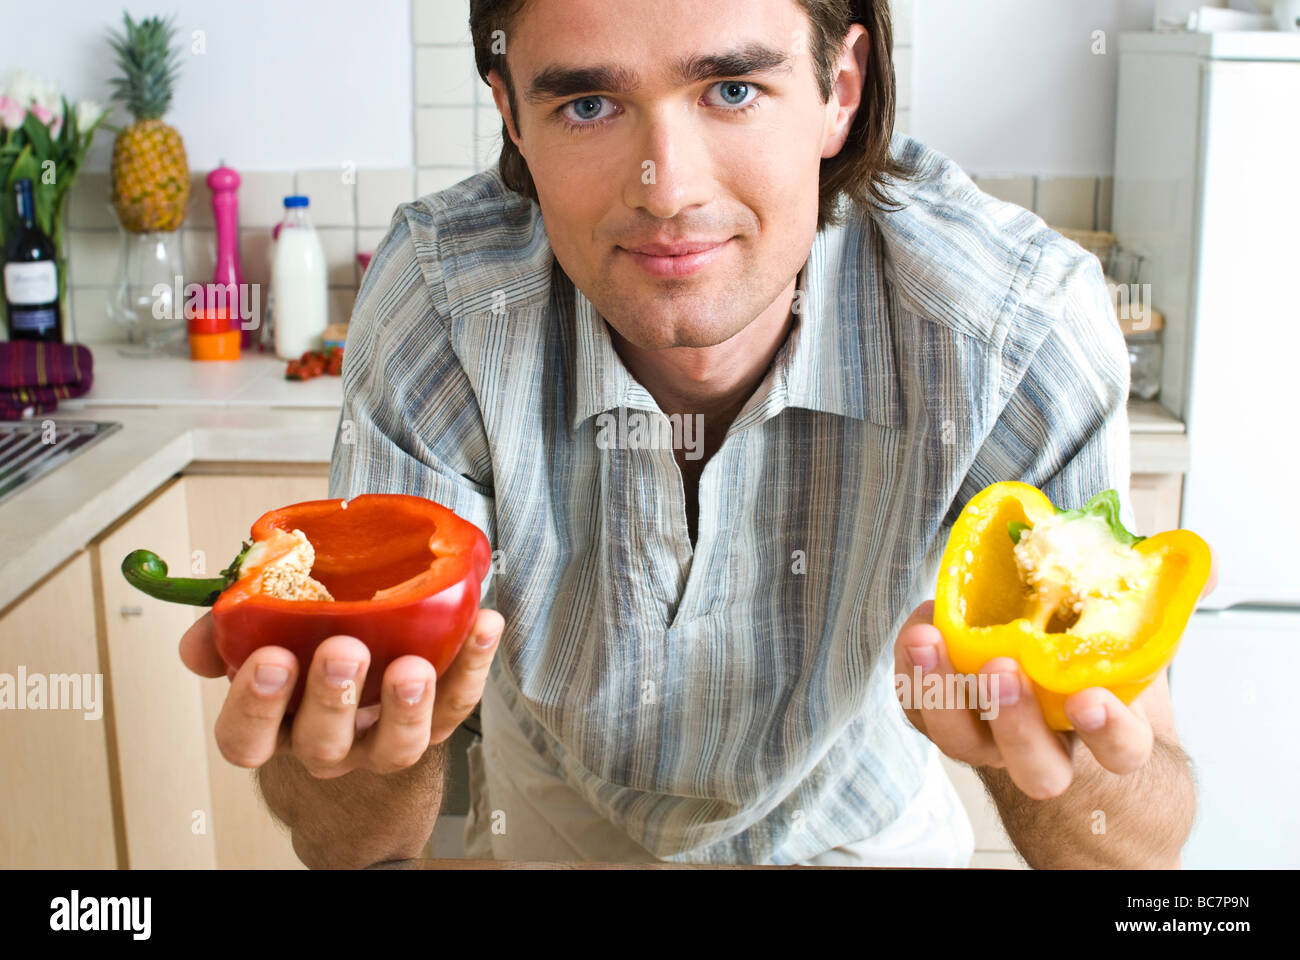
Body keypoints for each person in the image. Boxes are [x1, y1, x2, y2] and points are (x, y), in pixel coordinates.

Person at [181, 0, 1210, 869]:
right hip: (550, 834)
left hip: (859, 831)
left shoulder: (1014, 327)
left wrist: (1061, 760)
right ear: (510, 116)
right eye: (587, 104)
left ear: (838, 91)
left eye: (731, 90)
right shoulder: (444, 309)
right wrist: (350, 752)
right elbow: (350, 847)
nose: (666, 190)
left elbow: (1133, 847)